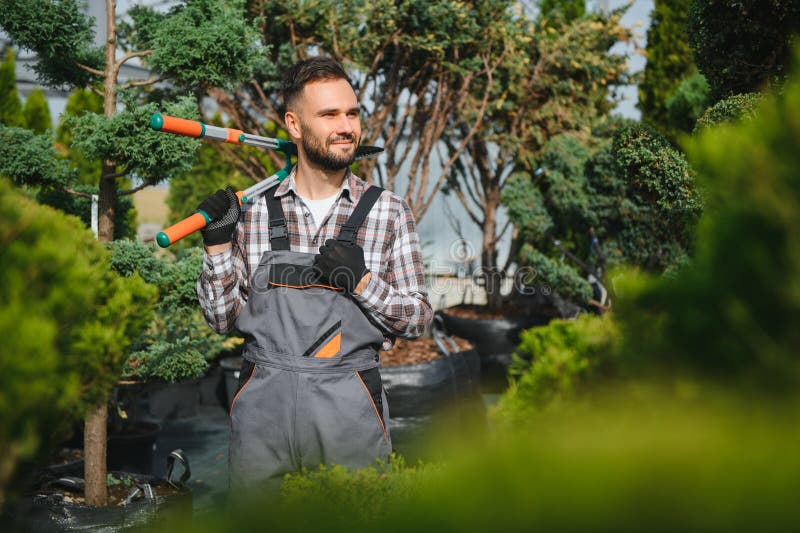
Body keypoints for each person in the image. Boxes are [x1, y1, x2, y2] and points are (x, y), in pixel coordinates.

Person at [196, 57, 432, 491]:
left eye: (352, 113)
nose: (346, 126)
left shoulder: (388, 212)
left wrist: (362, 283)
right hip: (263, 409)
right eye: (329, 115)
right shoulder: (255, 215)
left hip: (349, 407)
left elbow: (418, 318)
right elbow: (221, 321)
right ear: (293, 124)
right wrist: (216, 246)